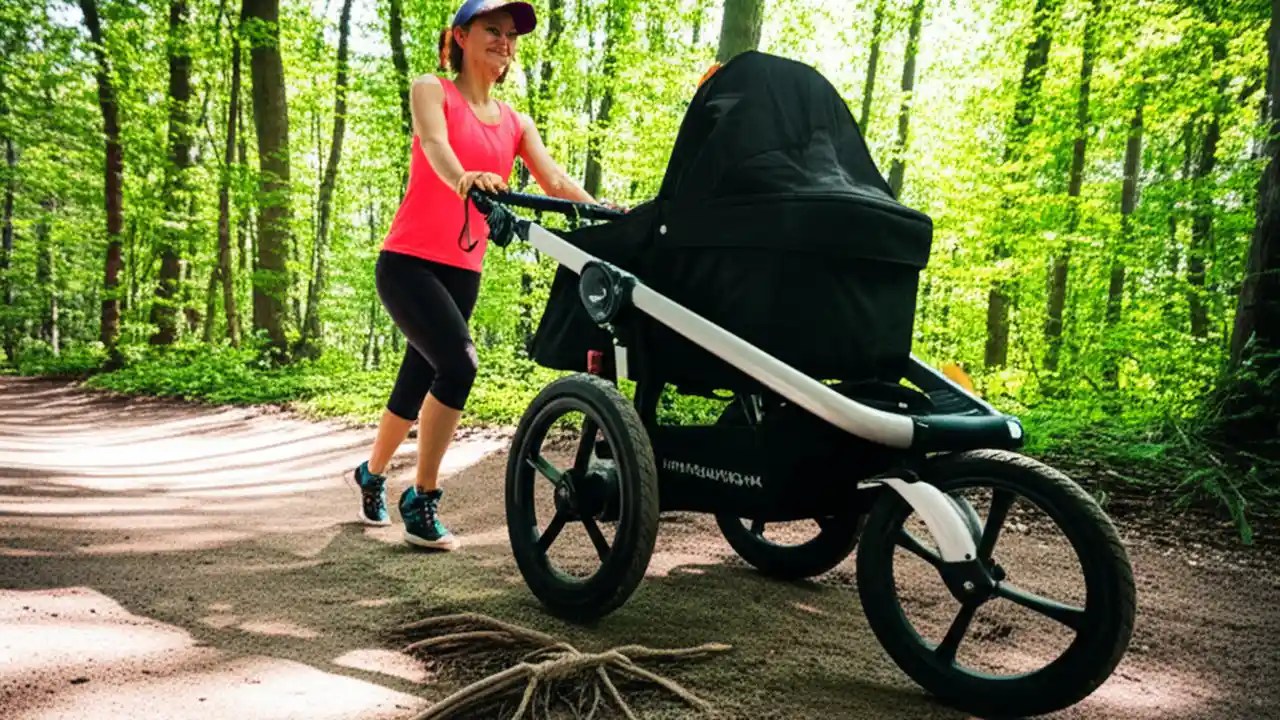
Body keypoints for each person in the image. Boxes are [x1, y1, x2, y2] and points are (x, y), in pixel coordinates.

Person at [351, 0, 602, 551]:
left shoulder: (516, 122)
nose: (504, 42)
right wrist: (464, 176)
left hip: (464, 269)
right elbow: (436, 146)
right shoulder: (431, 90)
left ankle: (371, 475)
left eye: (511, 35)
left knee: (416, 380)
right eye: (493, 30)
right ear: (461, 36)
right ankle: (422, 498)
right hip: (408, 262)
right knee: (460, 364)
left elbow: (555, 179)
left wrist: (612, 214)